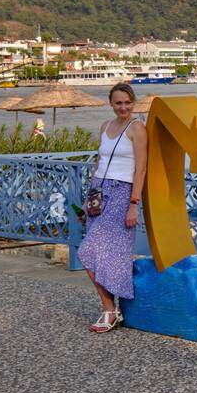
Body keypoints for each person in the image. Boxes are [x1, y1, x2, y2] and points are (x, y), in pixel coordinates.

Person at [76, 83, 147, 333]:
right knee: (94, 253)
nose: (123, 107)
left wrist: (133, 205)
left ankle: (110, 310)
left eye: (127, 102)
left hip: (121, 194)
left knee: (90, 251)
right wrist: (88, 201)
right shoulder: (105, 127)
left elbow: (141, 168)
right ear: (111, 103)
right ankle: (110, 309)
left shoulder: (137, 128)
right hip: (100, 193)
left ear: (133, 102)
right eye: (118, 103)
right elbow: (99, 164)